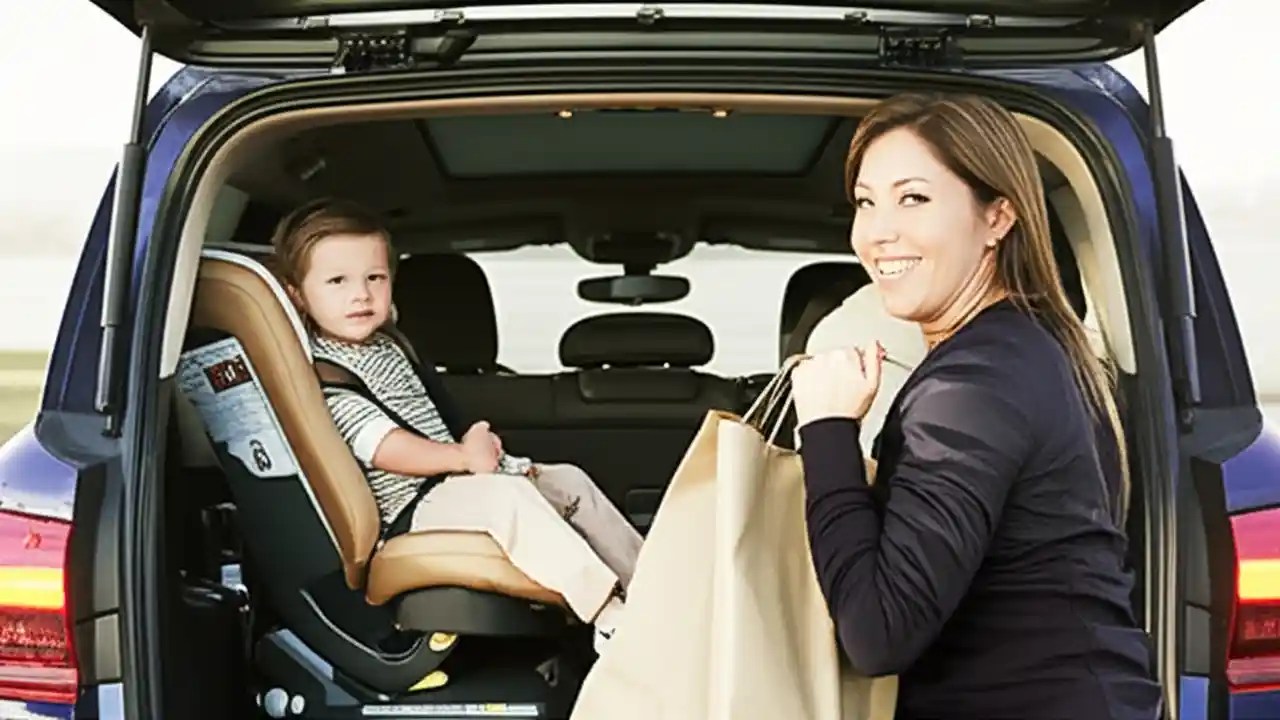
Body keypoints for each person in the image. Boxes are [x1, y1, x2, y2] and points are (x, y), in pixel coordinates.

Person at [790, 93, 1161, 719]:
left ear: (997, 217)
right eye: (866, 202)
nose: (878, 232)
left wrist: (827, 430)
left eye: (913, 198)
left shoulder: (972, 386)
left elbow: (879, 634)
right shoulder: (1031, 349)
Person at [269, 198, 642, 653]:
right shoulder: (327, 375)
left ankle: (651, 588)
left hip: (448, 487)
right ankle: (607, 613)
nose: (361, 294)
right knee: (504, 500)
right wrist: (461, 457)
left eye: (375, 278)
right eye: (337, 281)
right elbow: (383, 446)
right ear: (297, 295)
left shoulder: (388, 347)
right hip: (410, 509)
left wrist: (498, 463)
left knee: (568, 480)